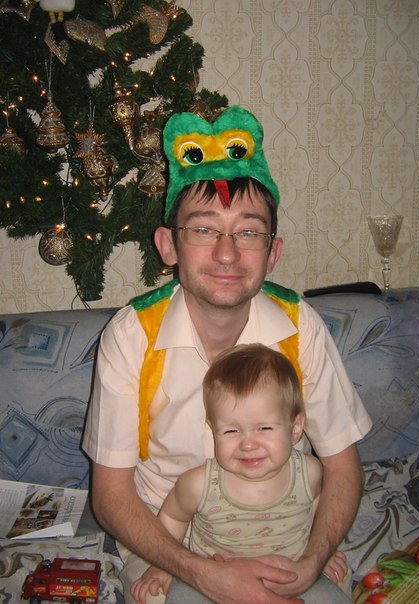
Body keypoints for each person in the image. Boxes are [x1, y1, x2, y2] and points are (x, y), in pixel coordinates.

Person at [82, 105, 372, 604]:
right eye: (203, 229)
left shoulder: (300, 325)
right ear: (168, 246)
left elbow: (343, 467)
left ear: (272, 252)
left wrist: (314, 558)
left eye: (248, 231)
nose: (226, 253)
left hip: (284, 532)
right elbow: (111, 497)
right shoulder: (131, 336)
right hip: (167, 543)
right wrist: (202, 574)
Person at [131, 343, 350, 604]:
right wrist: (163, 566)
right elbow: (172, 518)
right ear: (212, 429)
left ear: (295, 428)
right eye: (231, 431)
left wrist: (321, 552)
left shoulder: (310, 472)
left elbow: (318, 507)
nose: (248, 444)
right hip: (212, 583)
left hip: (290, 578)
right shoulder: (198, 484)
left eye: (264, 428)